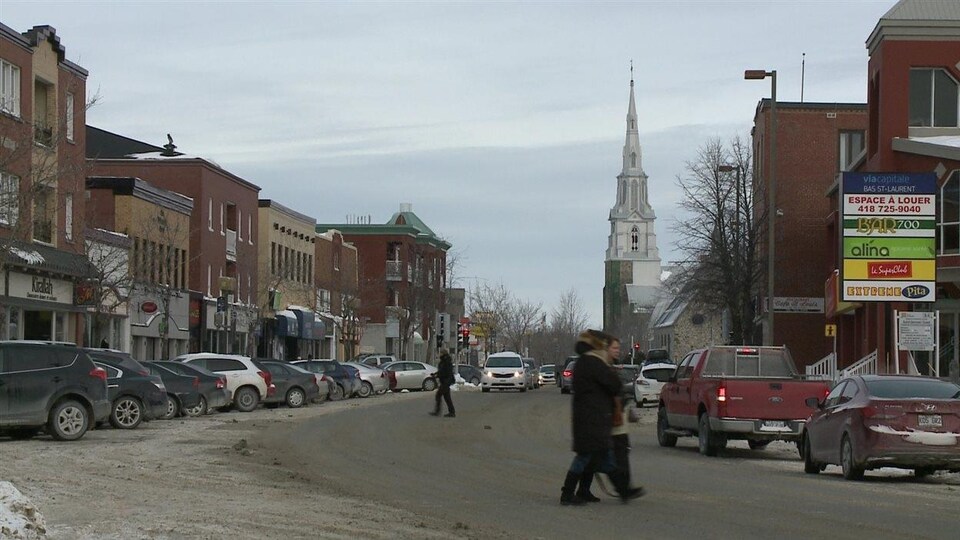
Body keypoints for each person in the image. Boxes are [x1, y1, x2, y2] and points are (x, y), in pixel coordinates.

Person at [559, 330, 643, 505]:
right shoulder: (594, 362)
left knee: (603, 458)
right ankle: (567, 494)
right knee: (586, 457)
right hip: (593, 420)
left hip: (589, 419)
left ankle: (621, 490)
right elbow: (614, 384)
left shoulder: (583, 362)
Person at [429, 348, 456, 418]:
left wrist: (438, 375)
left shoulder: (447, 362)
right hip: (444, 381)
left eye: (440, 353)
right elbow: (441, 371)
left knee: (438, 395)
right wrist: (435, 374)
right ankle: (451, 412)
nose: (439, 354)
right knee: (447, 397)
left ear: (443, 354)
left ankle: (438, 411)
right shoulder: (443, 361)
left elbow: (445, 372)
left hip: (446, 381)